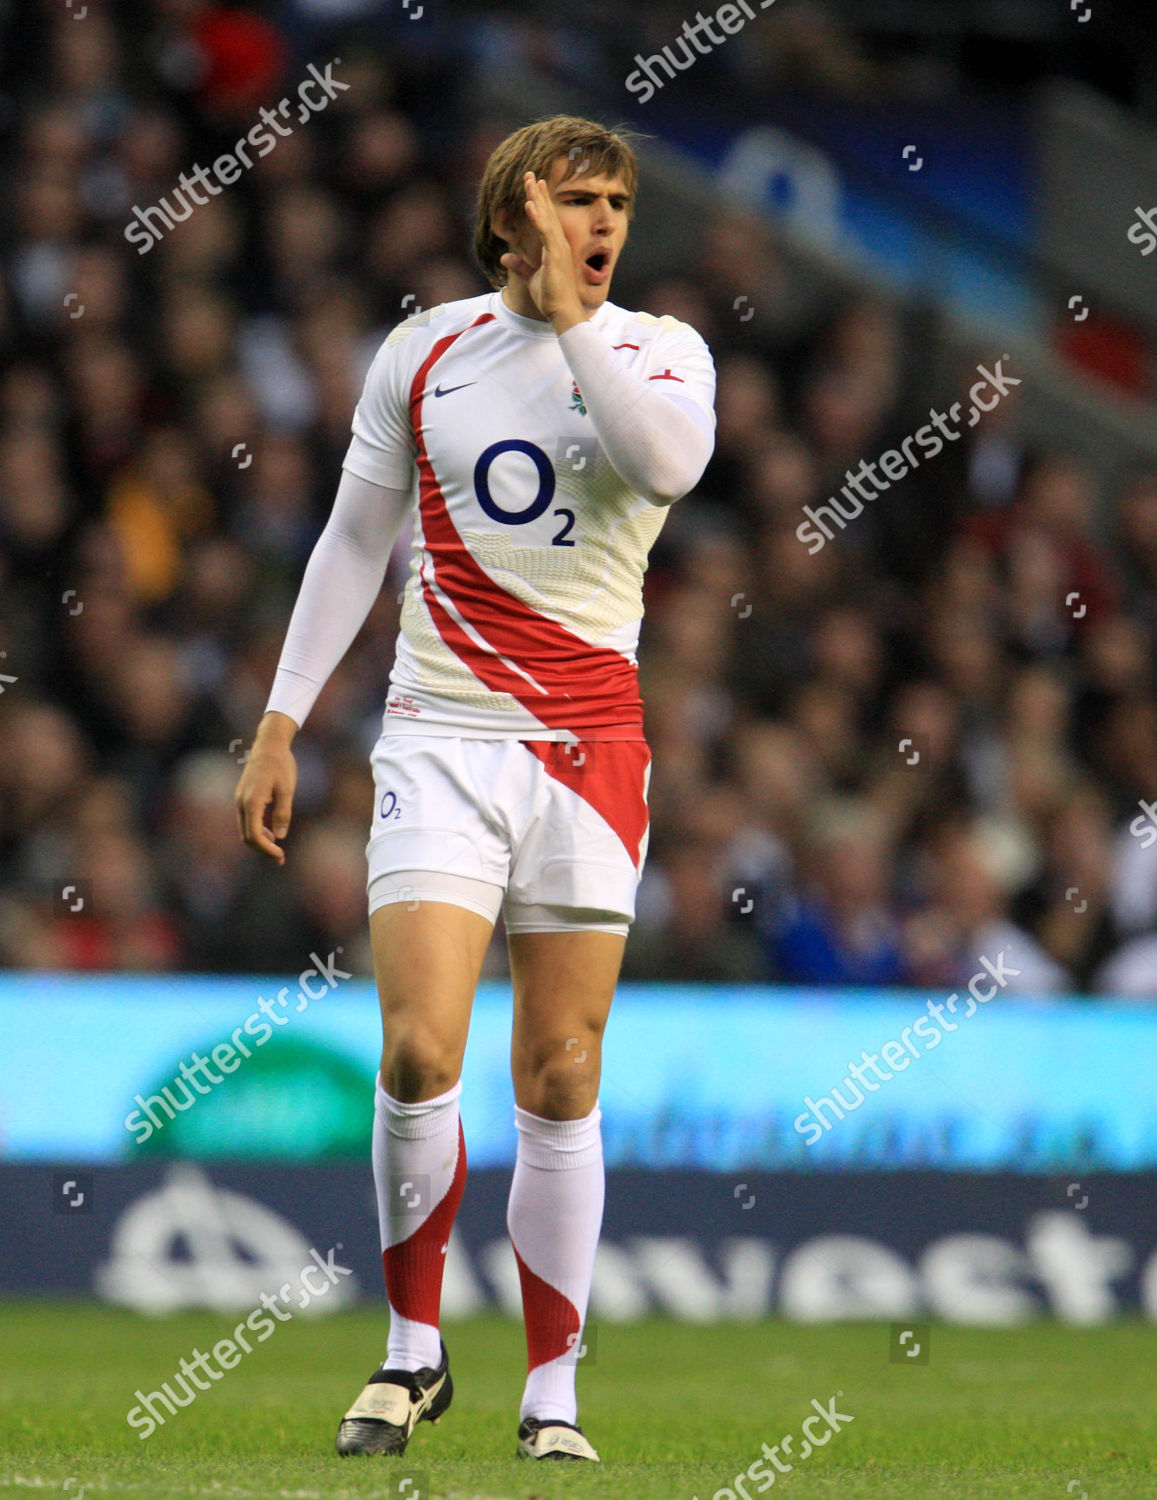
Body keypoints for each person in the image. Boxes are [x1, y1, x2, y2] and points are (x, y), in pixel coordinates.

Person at [234, 115, 716, 1463]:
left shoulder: (660, 350)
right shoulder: (425, 348)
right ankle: (408, 1354)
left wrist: (569, 326)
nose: (603, 221)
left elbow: (666, 466)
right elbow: (351, 542)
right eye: (574, 201)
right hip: (438, 737)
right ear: (509, 216)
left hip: (589, 750)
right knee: (415, 1051)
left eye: (617, 198)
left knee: (560, 1076)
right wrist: (279, 722)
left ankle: (551, 1389)